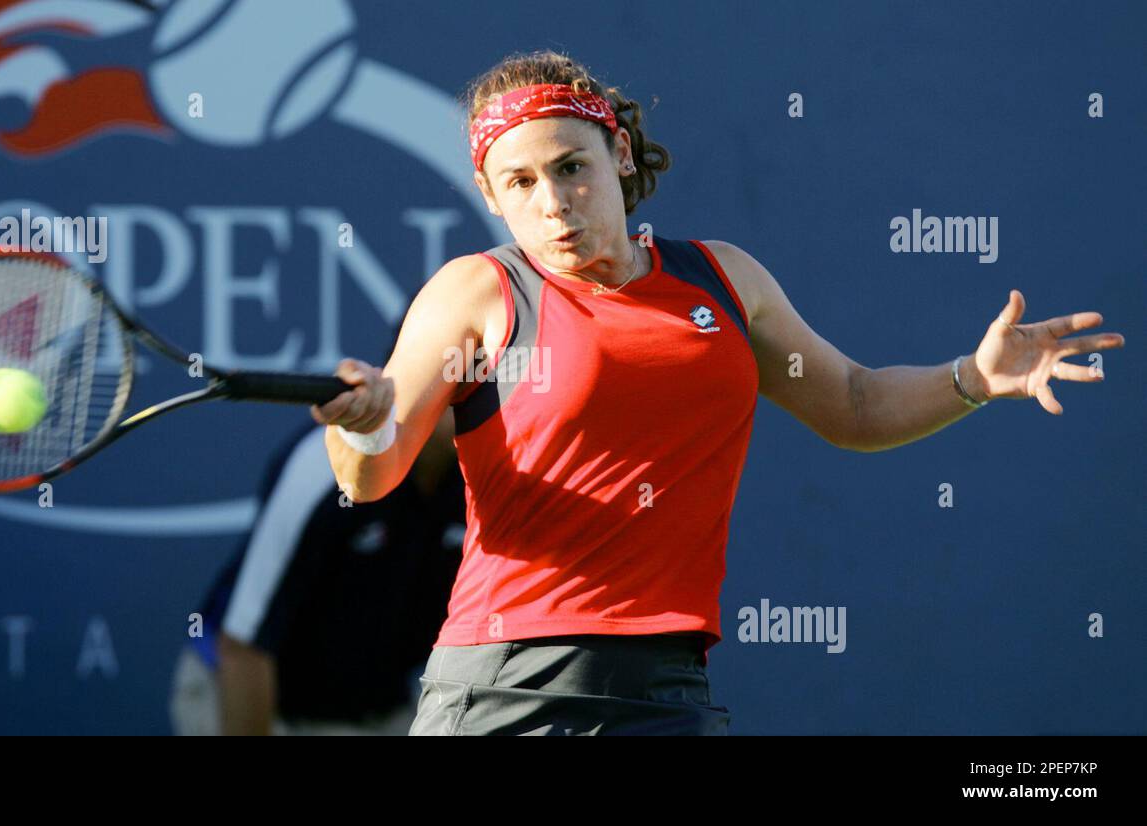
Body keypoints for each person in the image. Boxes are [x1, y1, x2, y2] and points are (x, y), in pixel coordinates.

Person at [309, 50, 1126, 736]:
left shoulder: (725, 280)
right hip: (507, 689)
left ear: (619, 155)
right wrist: (362, 425)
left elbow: (856, 405)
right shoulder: (475, 292)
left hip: (669, 687)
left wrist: (972, 378)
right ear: (491, 196)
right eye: (519, 183)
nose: (553, 203)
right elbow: (368, 476)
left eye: (571, 168)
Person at [169, 407, 464, 735]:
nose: (493, 392)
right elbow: (242, 647)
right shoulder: (327, 463)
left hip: (381, 707)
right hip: (241, 689)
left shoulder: (493, 467)